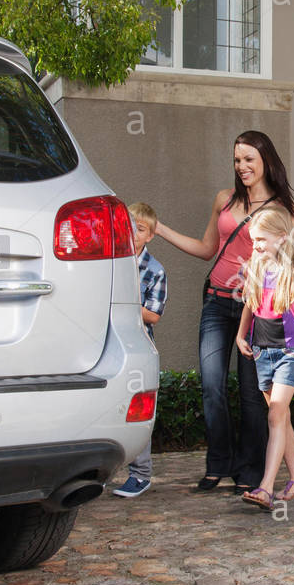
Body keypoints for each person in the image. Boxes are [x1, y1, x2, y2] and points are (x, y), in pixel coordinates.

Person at [155, 131, 294, 494]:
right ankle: (217, 463)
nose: (242, 167)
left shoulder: (284, 208)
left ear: (266, 160)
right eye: (237, 160)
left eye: (249, 159)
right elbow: (208, 248)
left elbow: (288, 256)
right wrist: (160, 230)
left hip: (256, 309)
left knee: (254, 393)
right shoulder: (224, 200)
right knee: (211, 385)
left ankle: (249, 470)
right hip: (216, 301)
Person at [233, 208, 294, 510]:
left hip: (290, 353)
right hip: (262, 352)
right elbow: (250, 304)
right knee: (282, 418)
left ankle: (265, 487)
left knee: (274, 415)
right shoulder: (254, 269)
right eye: (253, 240)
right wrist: (240, 336)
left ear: (282, 238)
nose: (256, 245)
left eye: (261, 239)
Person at [113, 201, 166, 498]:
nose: (133, 233)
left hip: (138, 343)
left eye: (141, 229)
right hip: (110, 342)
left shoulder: (155, 270)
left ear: (150, 235)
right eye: (130, 226)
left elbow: (154, 314)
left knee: (137, 406)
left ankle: (141, 474)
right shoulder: (109, 262)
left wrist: (123, 301)